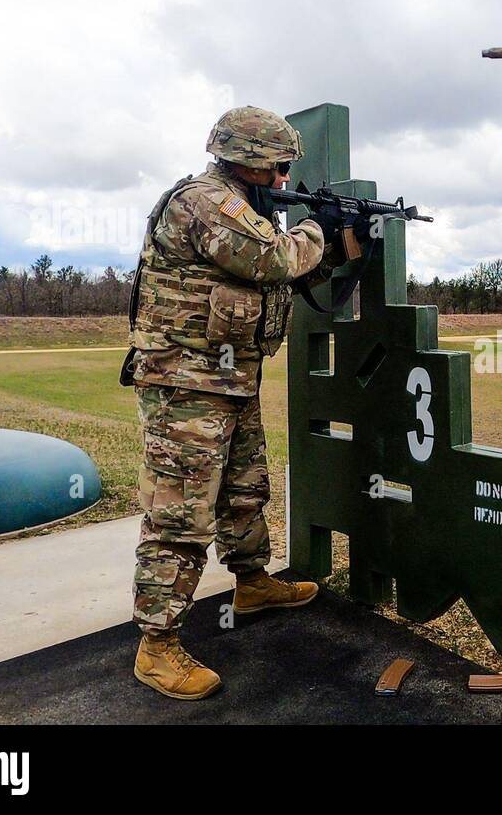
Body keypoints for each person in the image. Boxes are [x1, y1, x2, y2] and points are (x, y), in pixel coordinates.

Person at [121, 106, 341, 700]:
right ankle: (157, 646)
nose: (281, 179)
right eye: (277, 168)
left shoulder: (240, 203)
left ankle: (251, 583)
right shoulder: (204, 201)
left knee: (244, 488)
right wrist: (316, 228)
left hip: (227, 378)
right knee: (180, 516)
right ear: (249, 159)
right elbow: (273, 259)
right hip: (185, 385)